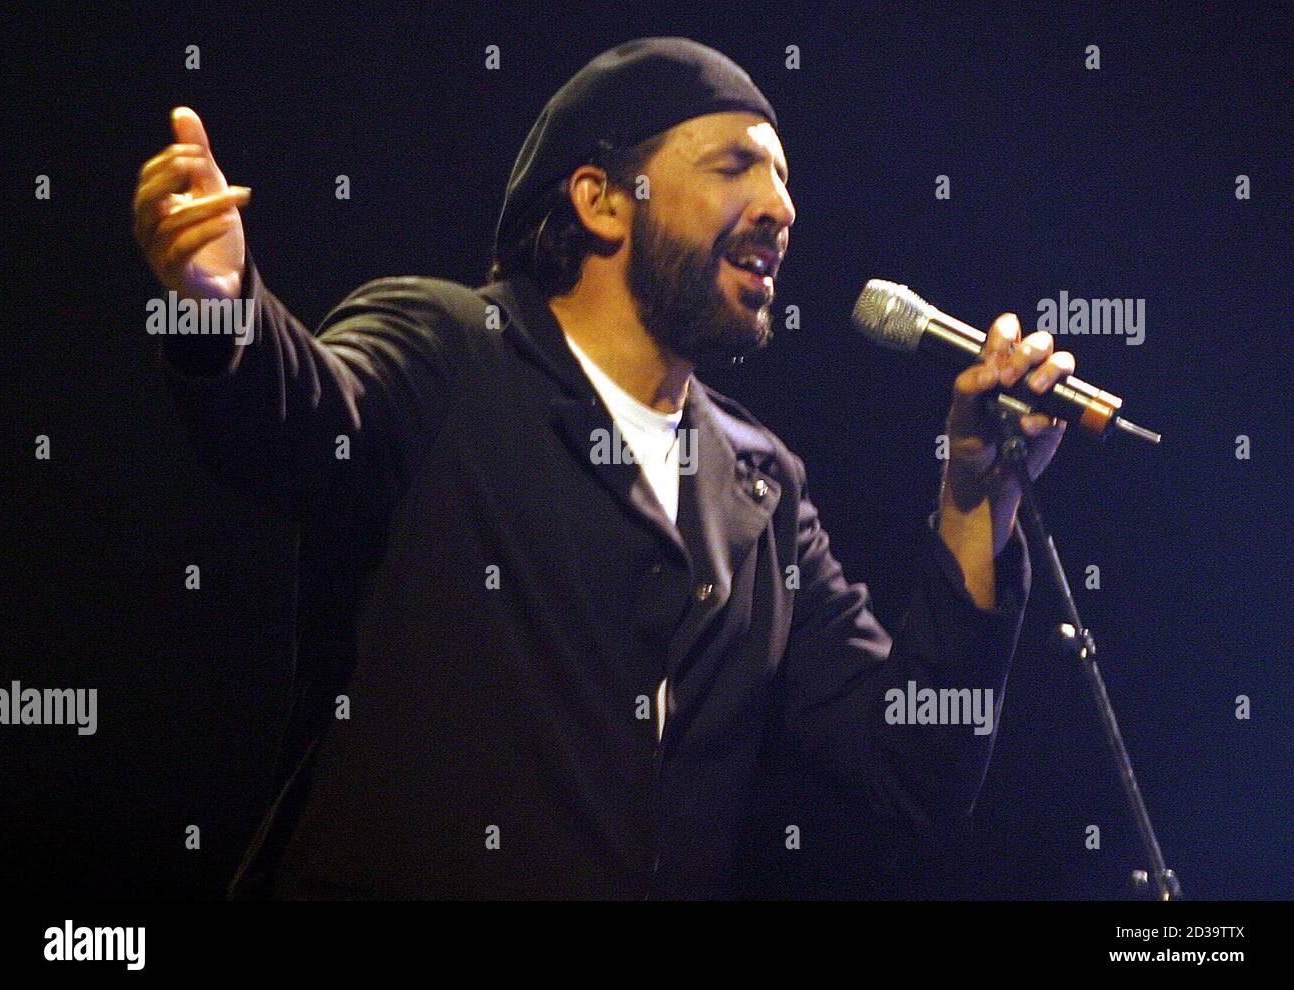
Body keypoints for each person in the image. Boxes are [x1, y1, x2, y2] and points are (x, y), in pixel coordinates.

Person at [131, 38, 1074, 899]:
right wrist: (220, 306)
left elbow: (910, 772)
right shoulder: (450, 349)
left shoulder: (760, 486)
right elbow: (290, 424)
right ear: (603, 199)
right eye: (736, 165)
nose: (783, 207)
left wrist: (973, 500)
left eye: (784, 178)